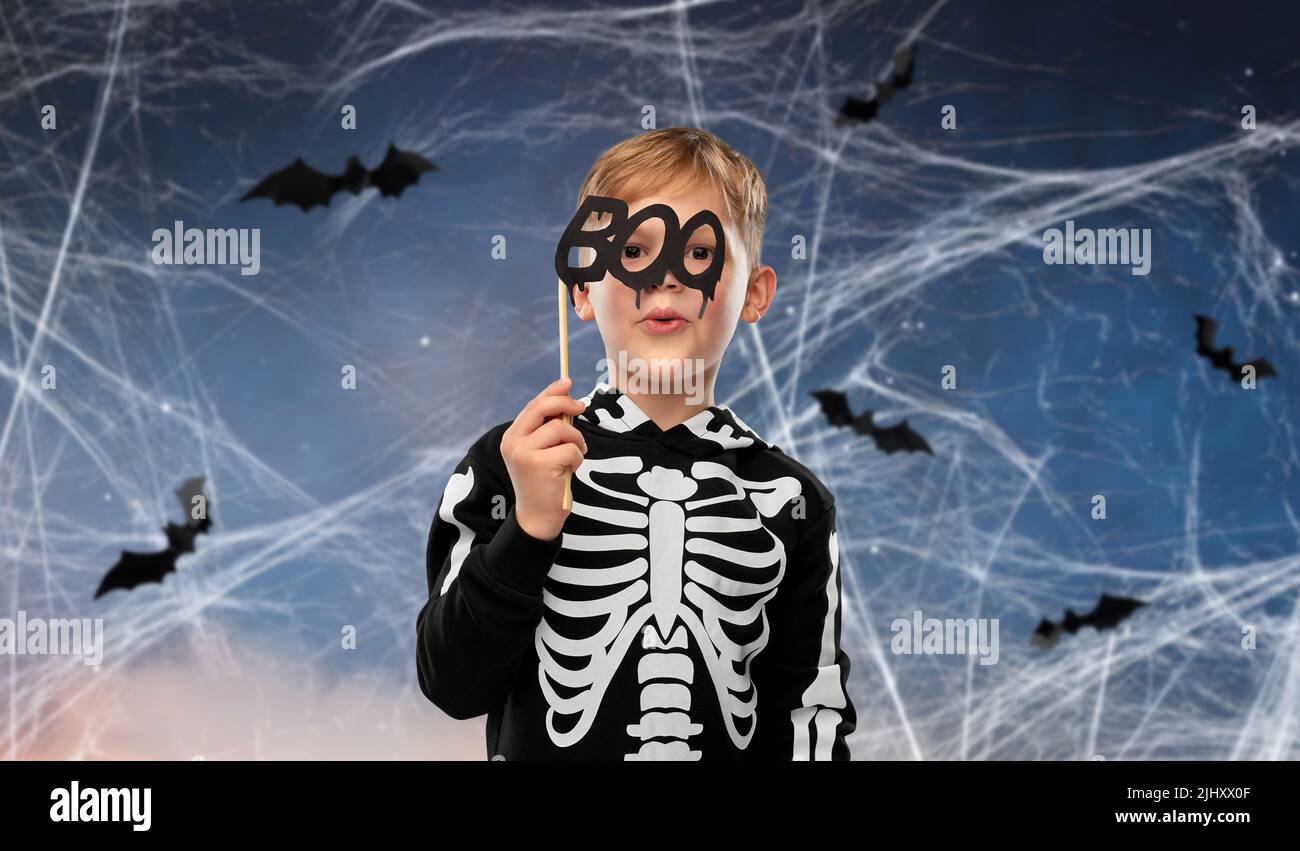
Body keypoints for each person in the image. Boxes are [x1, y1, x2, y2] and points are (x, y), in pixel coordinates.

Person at [416, 126, 856, 760]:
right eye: (632, 251)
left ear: (755, 293)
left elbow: (812, 713)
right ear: (582, 287)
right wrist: (530, 526)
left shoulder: (791, 499)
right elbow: (452, 684)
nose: (666, 278)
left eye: (701, 254)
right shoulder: (513, 461)